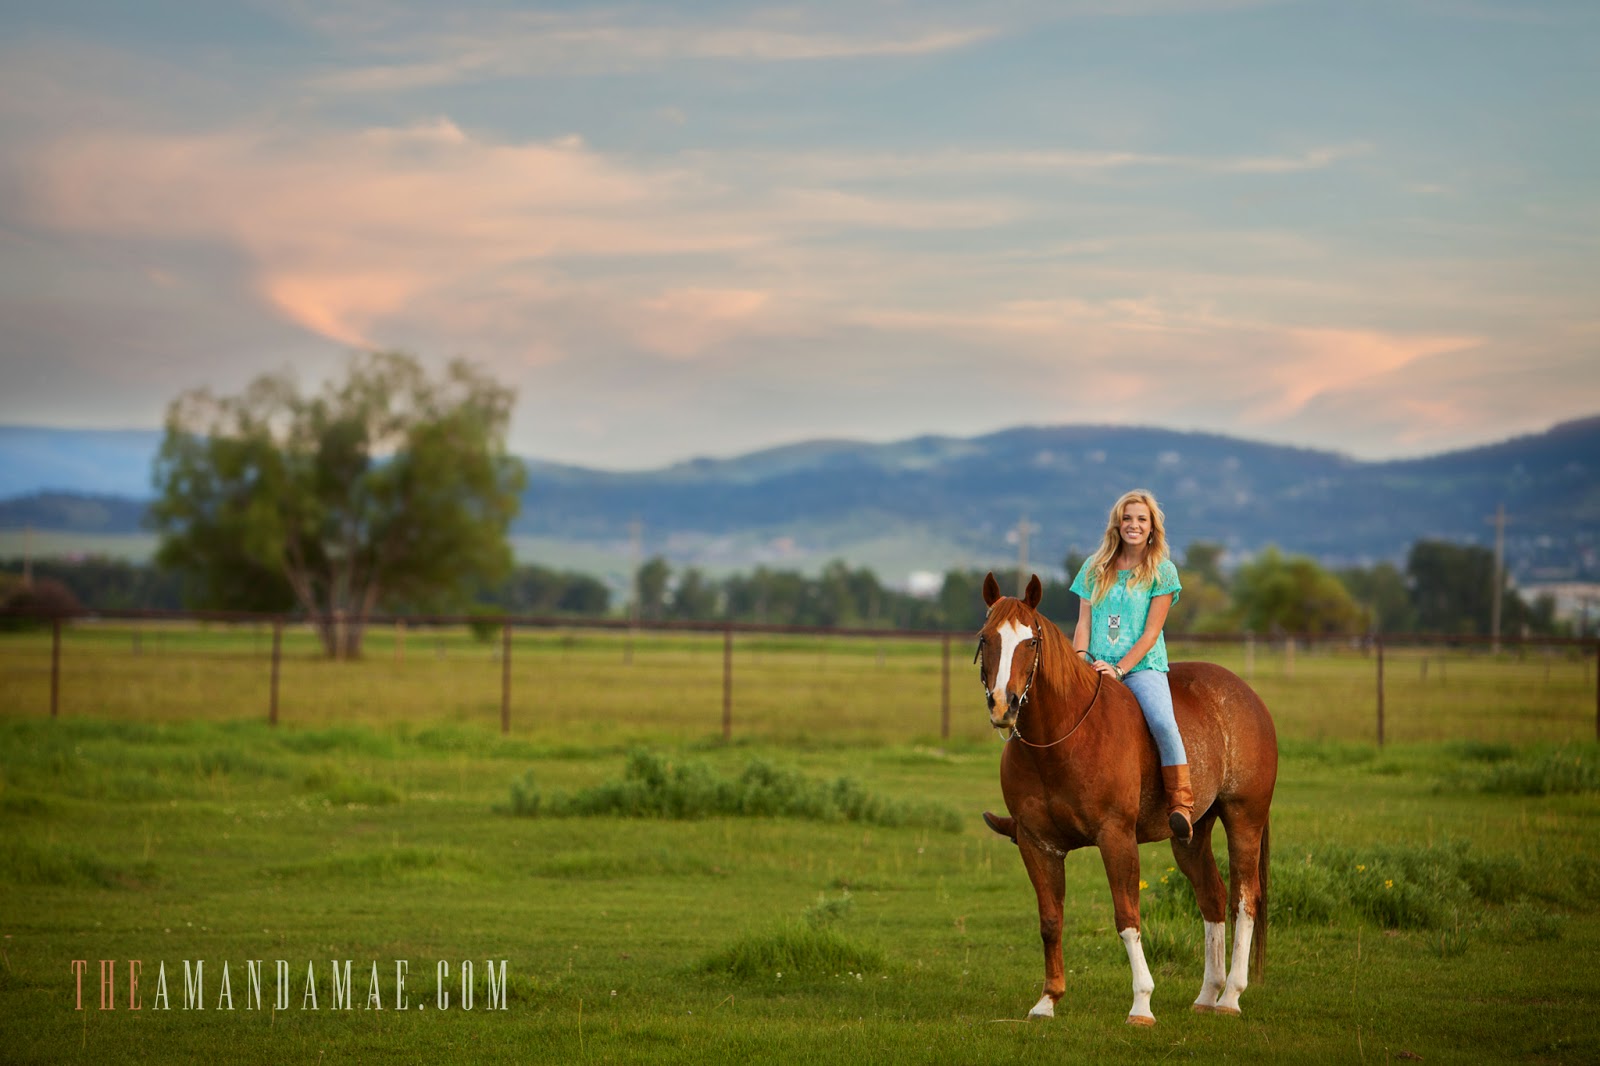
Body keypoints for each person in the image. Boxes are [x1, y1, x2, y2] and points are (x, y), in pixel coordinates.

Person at [1069, 489, 1194, 842]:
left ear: (1152, 527)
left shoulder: (1162, 573)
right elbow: (1083, 623)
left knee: (1163, 722)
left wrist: (1120, 670)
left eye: (1141, 519)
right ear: (1117, 525)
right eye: (1127, 518)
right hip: (1092, 665)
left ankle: (1181, 803)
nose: (1133, 525)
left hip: (1140, 668)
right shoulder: (1094, 568)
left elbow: (1151, 632)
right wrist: (1080, 660)